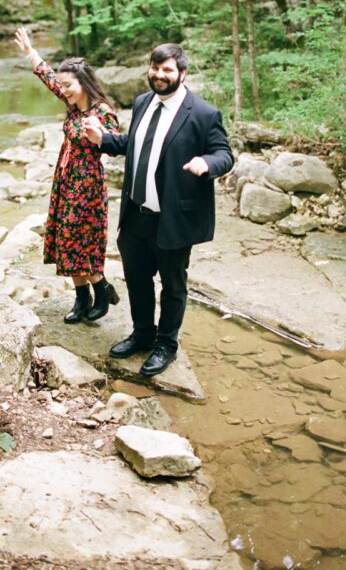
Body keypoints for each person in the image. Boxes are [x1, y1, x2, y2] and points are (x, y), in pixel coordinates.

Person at [82, 43, 232, 378]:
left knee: (173, 285)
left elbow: (225, 154)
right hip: (136, 213)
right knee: (136, 279)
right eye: (155, 68)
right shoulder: (142, 102)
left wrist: (205, 163)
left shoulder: (204, 114)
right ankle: (142, 334)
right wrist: (102, 138)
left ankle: (166, 344)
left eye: (167, 70)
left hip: (174, 218)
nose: (159, 75)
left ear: (182, 73)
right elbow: (132, 144)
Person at [13, 32, 121, 322]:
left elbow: (118, 145)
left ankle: (101, 288)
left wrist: (101, 134)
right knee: (64, 239)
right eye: (62, 86)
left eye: (69, 85)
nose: (64, 90)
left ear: (83, 83)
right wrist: (30, 51)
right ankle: (82, 299)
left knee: (80, 240)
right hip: (65, 182)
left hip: (87, 185)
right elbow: (48, 77)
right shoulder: (73, 104)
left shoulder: (101, 111)